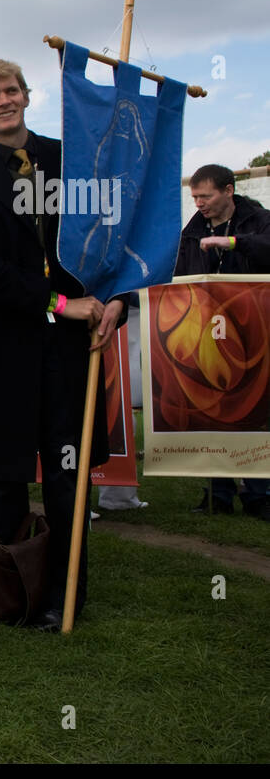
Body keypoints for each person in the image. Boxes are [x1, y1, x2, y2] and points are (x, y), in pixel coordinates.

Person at [0, 59, 124, 631]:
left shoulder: (74, 163)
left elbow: (111, 239)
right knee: (6, 476)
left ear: (26, 96)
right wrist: (57, 304)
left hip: (70, 352)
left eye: (11, 91)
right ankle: (9, 590)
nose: (3, 101)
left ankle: (63, 596)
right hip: (5, 349)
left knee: (67, 475)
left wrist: (118, 298)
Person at [175, 163, 270, 519]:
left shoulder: (258, 219)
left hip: (254, 330)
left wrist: (230, 242)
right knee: (215, 411)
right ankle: (219, 493)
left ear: (228, 191)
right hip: (209, 333)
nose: (199, 203)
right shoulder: (192, 230)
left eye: (206, 196)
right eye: (195, 197)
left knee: (256, 410)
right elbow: (180, 275)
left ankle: (259, 492)